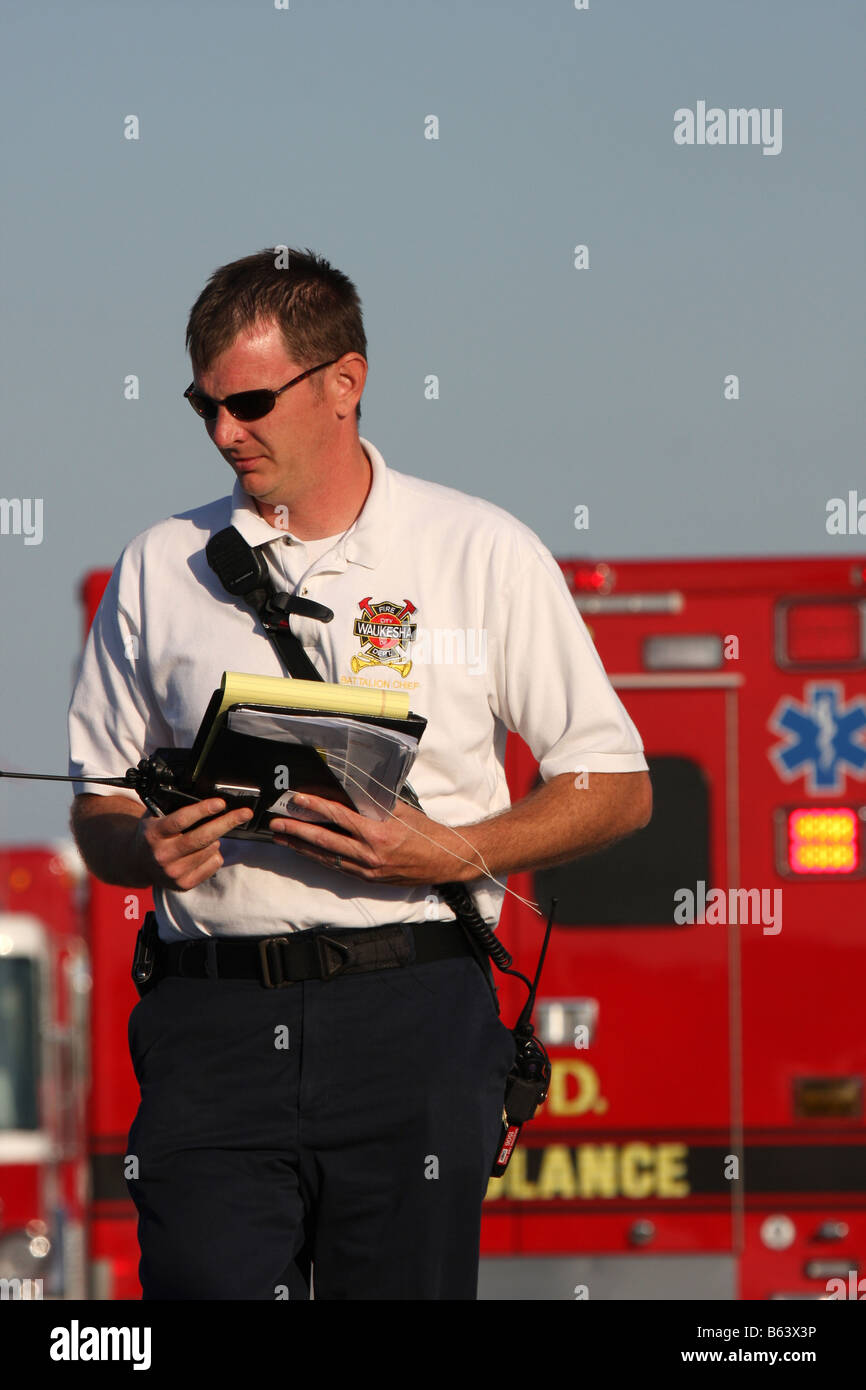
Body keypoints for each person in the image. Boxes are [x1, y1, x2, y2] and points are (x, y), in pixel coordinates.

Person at [68, 247, 651, 1301]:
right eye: (202, 405)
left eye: (247, 402)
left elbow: (613, 782)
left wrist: (450, 848)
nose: (222, 432)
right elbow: (100, 801)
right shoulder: (158, 564)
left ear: (345, 383)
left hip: (411, 1015)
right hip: (211, 1030)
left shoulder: (479, 549)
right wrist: (138, 847)